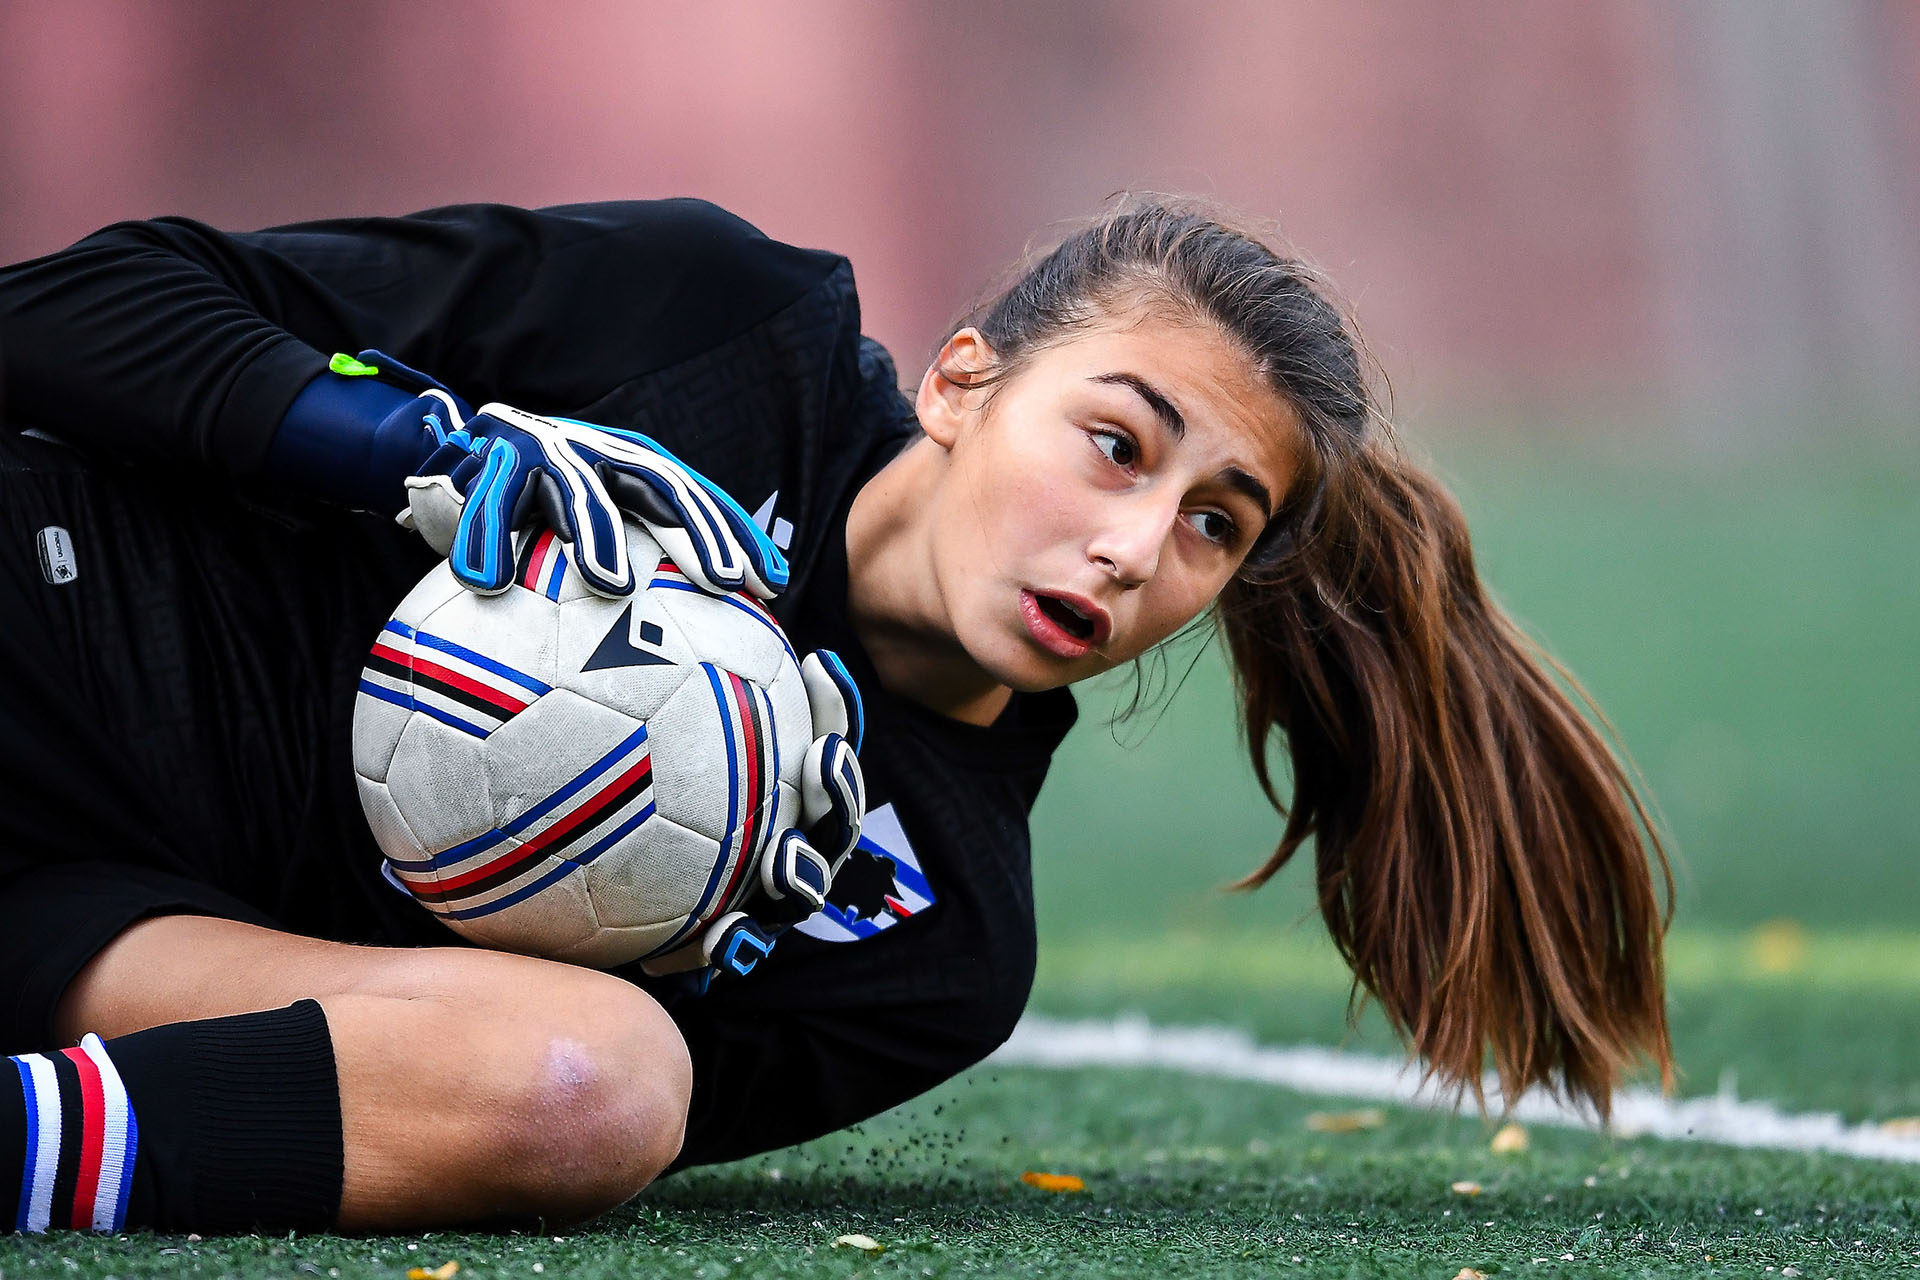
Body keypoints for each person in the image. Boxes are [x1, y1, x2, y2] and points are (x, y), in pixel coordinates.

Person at [0, 196, 1672, 1235]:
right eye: (1117, 444)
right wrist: (404, 443)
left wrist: (667, 912)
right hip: (34, 615)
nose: (1134, 547)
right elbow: (60, 308)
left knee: (598, 1088)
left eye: (1213, 526)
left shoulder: (938, 936)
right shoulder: (717, 324)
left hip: (84, 918)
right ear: (960, 383)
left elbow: (439, 1093)